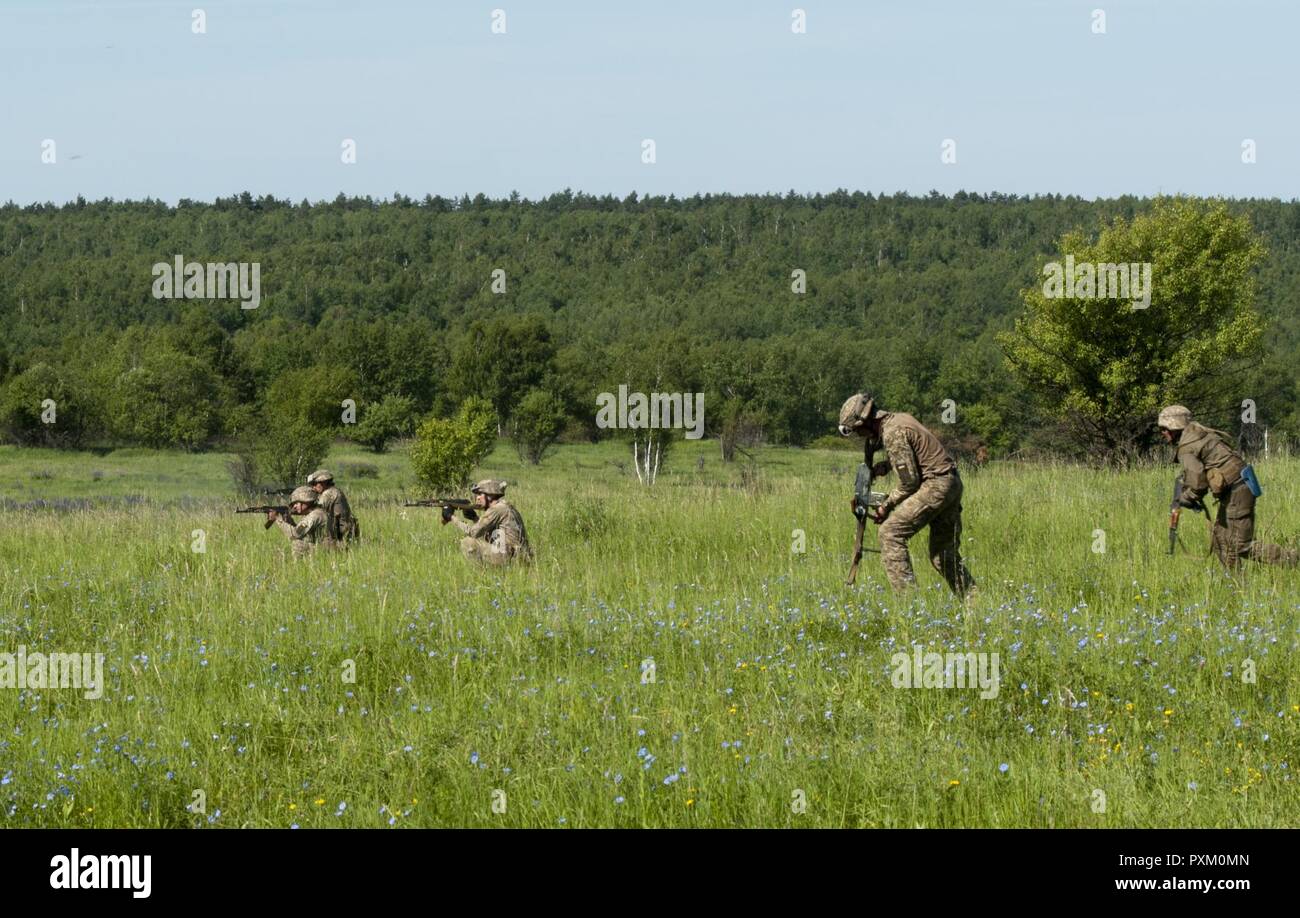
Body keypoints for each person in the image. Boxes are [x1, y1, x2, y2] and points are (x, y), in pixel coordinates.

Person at [838, 392, 976, 596]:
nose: (861, 436)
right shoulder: (901, 418)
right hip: (951, 483)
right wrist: (886, 466)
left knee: (890, 533)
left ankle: (909, 605)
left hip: (936, 485)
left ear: (866, 422)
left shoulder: (893, 431)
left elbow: (909, 482)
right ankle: (975, 605)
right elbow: (916, 460)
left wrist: (886, 505)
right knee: (943, 556)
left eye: (859, 432)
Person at [1158, 405, 1296, 569]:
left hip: (1237, 490)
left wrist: (1186, 498)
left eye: (1164, 428)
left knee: (1239, 545)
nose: (1163, 433)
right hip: (1238, 488)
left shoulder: (1187, 446)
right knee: (1221, 542)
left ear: (1175, 427)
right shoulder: (1197, 434)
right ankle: (1237, 586)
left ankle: (1293, 559)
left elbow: (1198, 484)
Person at [442, 479, 531, 565]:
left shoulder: (496, 509)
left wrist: (451, 517)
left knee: (467, 542)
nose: (477, 498)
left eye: (480, 494)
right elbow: (491, 533)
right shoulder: (505, 506)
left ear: (490, 495)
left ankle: (480, 573)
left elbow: (473, 533)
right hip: (519, 555)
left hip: (509, 555)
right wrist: (474, 517)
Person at [270, 486, 335, 558]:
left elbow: (296, 534)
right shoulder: (316, 512)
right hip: (324, 549)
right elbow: (300, 531)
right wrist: (289, 521)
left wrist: (277, 519)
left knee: (298, 544)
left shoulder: (315, 515)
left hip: (325, 551)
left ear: (306, 501)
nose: (294, 506)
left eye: (296, 503)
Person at [307, 469, 359, 544]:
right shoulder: (335, 491)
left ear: (324, 482)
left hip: (341, 535)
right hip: (346, 531)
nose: (313, 487)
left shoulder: (328, 494)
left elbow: (316, 512)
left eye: (315, 484)